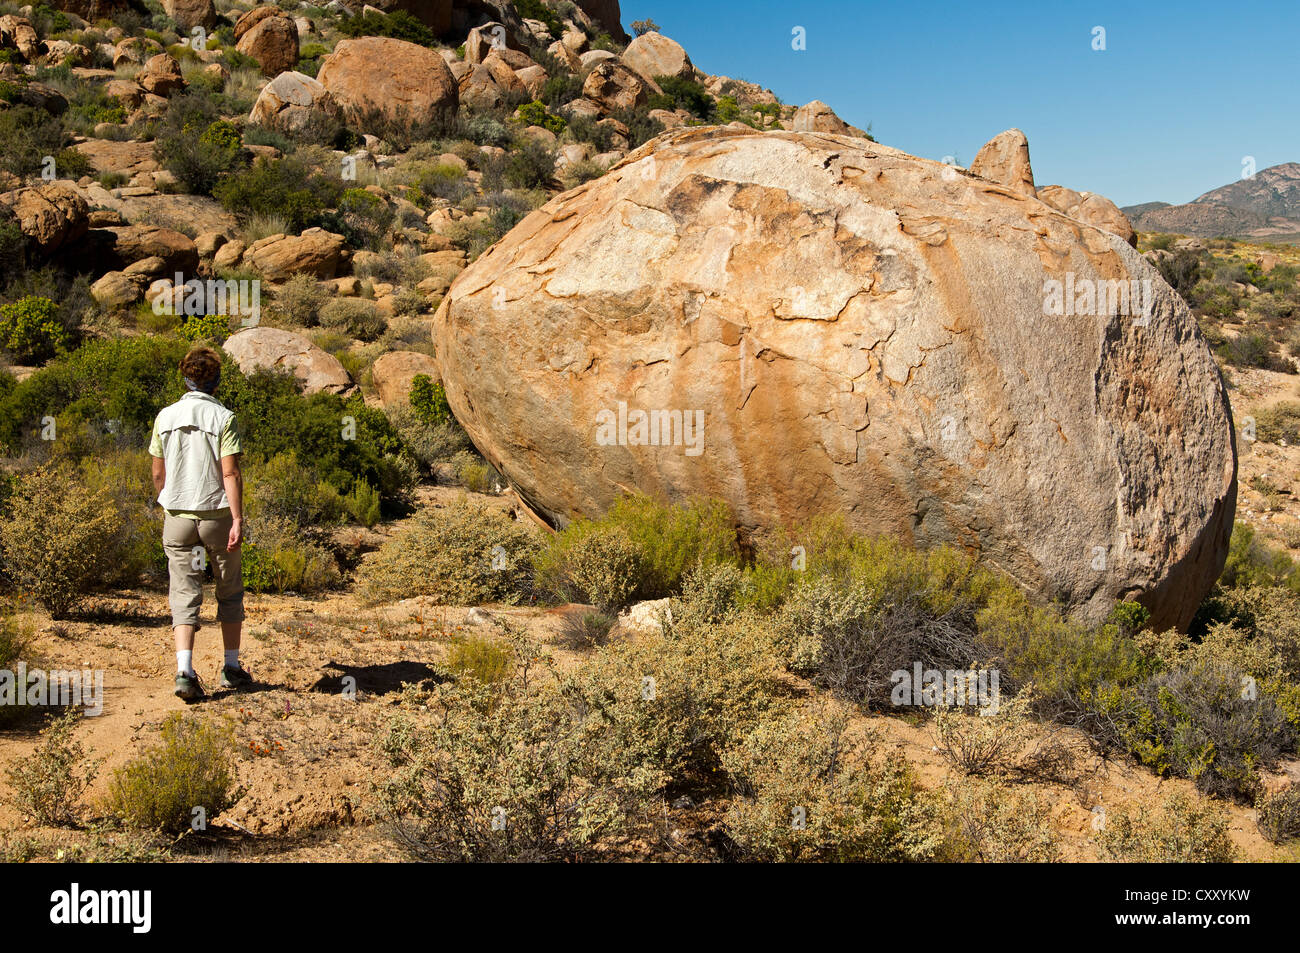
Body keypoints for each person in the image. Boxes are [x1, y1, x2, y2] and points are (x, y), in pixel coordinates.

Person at [149, 345, 252, 701]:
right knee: (229, 590)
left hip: (177, 516)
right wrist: (237, 518)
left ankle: (184, 671)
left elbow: (157, 472)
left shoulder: (165, 416)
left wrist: (167, 501)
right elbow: (230, 472)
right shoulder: (224, 418)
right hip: (216, 517)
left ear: (186, 377)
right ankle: (231, 667)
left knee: (184, 592)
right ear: (217, 381)